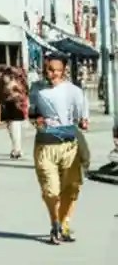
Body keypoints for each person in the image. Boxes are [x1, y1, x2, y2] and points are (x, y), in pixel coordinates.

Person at [28, 53, 90, 244]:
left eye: (56, 70)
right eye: (48, 69)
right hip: (45, 145)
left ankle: (64, 224)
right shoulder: (36, 89)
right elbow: (31, 113)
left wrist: (83, 121)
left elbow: (83, 120)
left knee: (71, 188)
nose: (51, 73)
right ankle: (55, 223)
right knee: (51, 190)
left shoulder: (74, 92)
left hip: (69, 145)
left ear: (64, 71)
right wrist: (35, 119)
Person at [0, 65, 30, 159]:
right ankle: (17, 148)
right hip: (16, 104)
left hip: (11, 104)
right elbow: (25, 91)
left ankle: (16, 149)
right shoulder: (17, 80)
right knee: (13, 127)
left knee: (12, 126)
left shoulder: (4, 80)